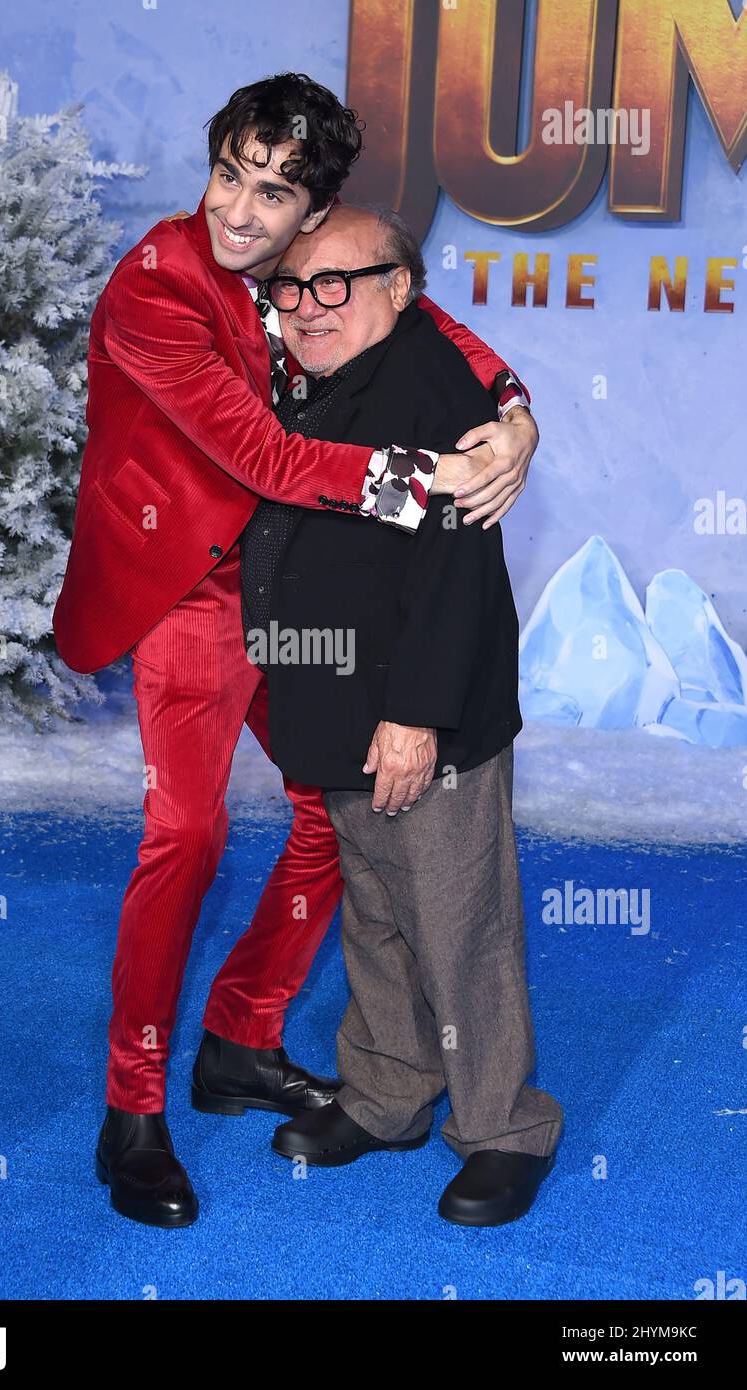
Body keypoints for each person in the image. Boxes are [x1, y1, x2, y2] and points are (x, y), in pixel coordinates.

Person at [53, 73, 540, 1228]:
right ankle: (133, 1111)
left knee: (335, 809)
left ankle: (240, 1037)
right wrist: (434, 479)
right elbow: (264, 456)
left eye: (273, 195)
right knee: (188, 830)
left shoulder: (308, 268)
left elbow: (438, 329)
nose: (239, 212)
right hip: (184, 592)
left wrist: (515, 414)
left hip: (288, 586)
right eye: (230, 175)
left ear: (312, 210)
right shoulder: (156, 289)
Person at [243, 204, 562, 1226]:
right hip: (341, 706)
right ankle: (387, 1093)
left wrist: (415, 718)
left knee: (459, 926)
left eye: (334, 284)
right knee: (377, 918)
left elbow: (454, 571)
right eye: (291, 288)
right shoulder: (317, 380)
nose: (306, 307)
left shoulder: (433, 392)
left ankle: (504, 1127)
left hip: (420, 722)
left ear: (400, 286)